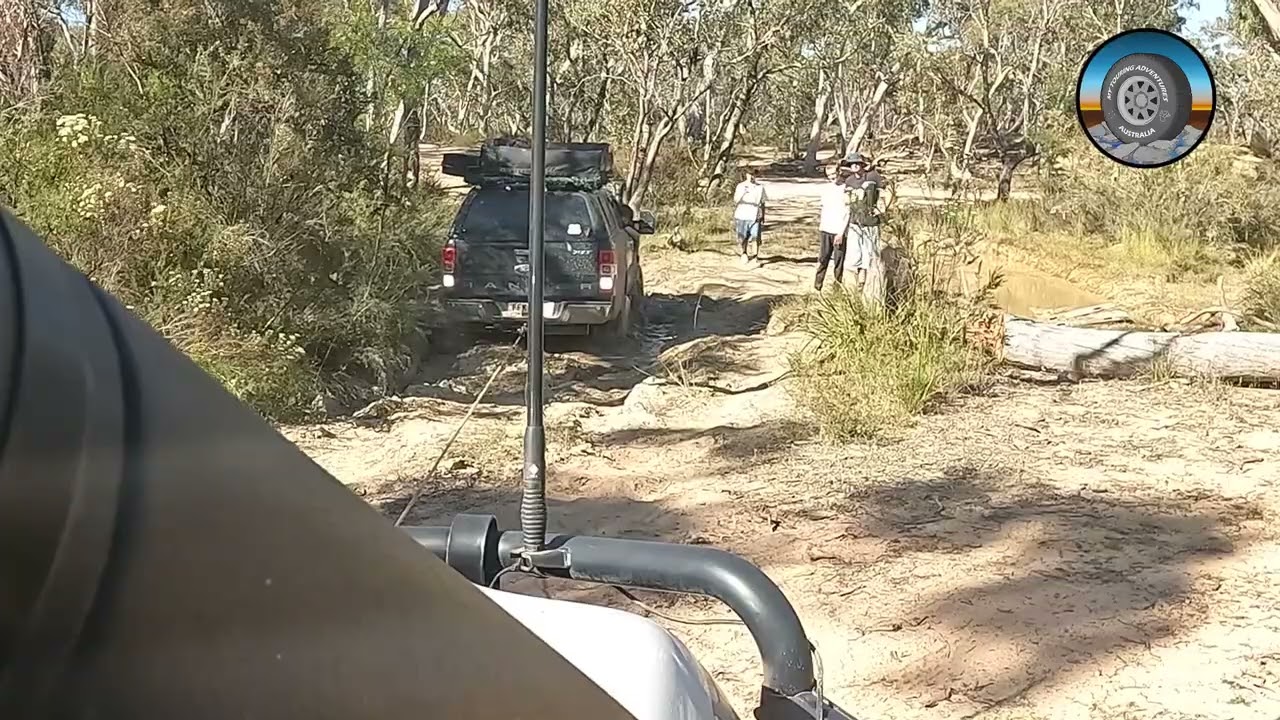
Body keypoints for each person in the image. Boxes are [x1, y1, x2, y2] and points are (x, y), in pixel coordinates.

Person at [840, 152, 886, 290]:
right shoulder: (849, 181)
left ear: (862, 164)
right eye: (851, 164)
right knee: (854, 255)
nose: (854, 166)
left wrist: (882, 209)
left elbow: (887, 191)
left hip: (870, 222)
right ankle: (854, 285)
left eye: (856, 163)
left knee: (871, 254)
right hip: (855, 223)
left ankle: (869, 284)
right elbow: (846, 201)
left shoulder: (873, 177)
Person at [814, 166, 850, 291]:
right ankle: (818, 285)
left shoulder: (846, 189)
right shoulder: (826, 189)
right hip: (826, 228)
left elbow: (847, 213)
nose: (832, 177)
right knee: (823, 258)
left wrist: (841, 232)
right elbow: (823, 208)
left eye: (834, 174)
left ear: (839, 172)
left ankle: (837, 286)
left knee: (839, 260)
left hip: (839, 230)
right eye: (829, 175)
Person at [732, 169, 767, 267]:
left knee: (755, 236)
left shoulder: (760, 187)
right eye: (750, 174)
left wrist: (763, 214)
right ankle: (744, 253)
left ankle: (755, 256)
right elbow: (735, 200)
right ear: (746, 175)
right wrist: (743, 193)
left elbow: (763, 202)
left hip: (755, 214)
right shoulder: (741, 186)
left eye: (754, 174)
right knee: (743, 237)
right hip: (742, 214)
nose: (752, 176)